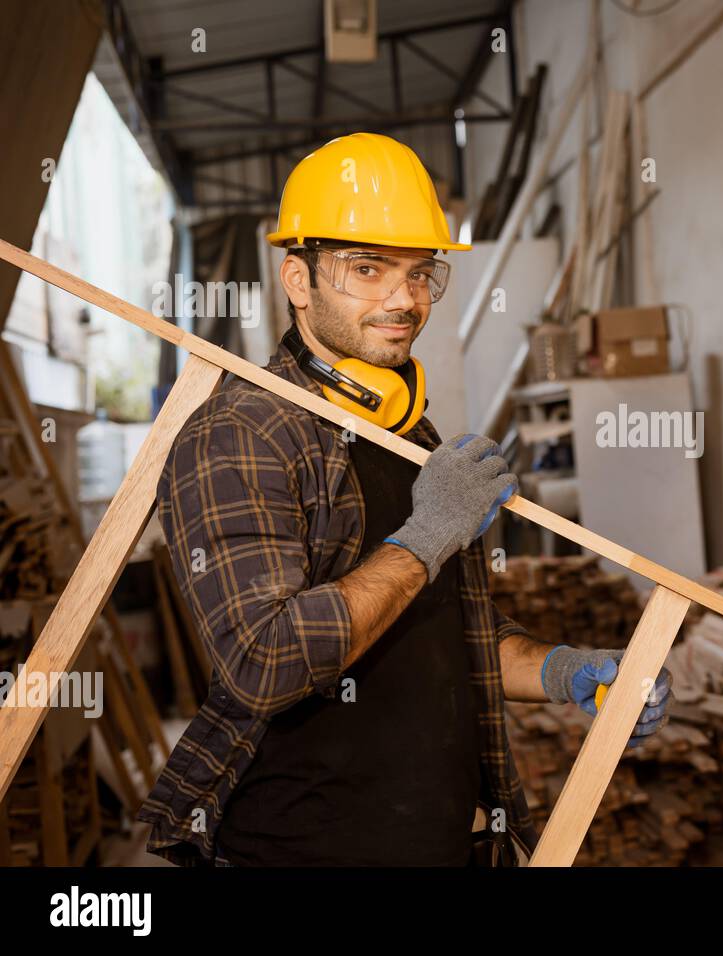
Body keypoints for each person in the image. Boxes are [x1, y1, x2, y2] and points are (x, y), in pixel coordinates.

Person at [137, 133, 671, 866]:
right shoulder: (239, 434)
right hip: (296, 848)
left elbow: (437, 622)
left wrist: (559, 671)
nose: (403, 299)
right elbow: (264, 661)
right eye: (368, 269)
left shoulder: (408, 431)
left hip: (444, 839)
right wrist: (428, 534)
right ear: (298, 278)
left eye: (421, 273)